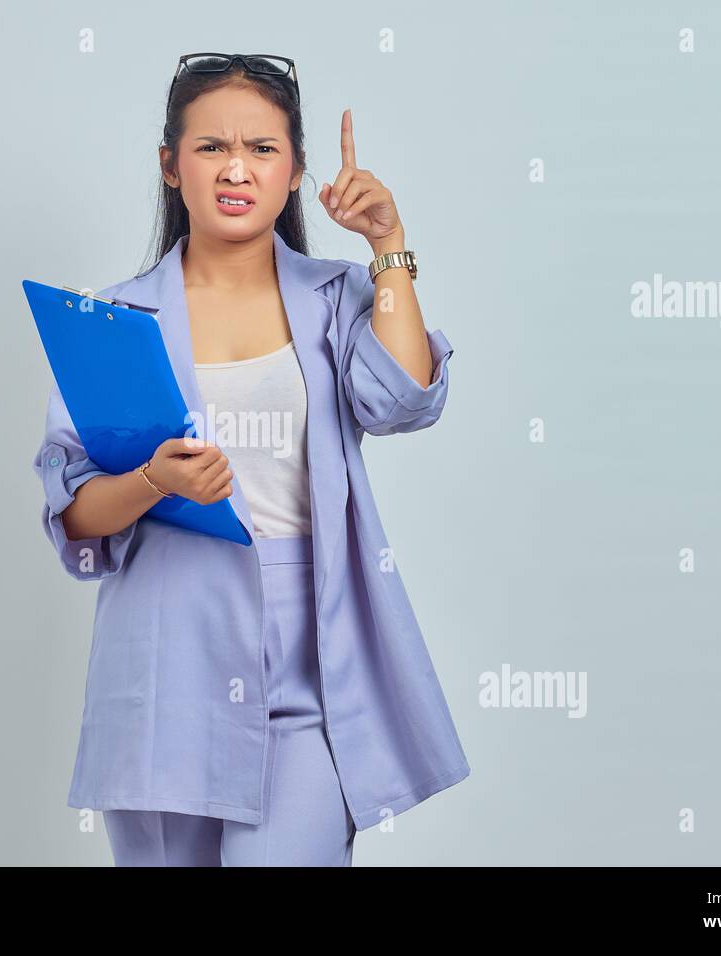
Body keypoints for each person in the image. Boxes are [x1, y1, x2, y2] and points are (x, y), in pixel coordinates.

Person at [33, 53, 470, 866]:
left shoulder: (338, 298)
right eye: (211, 148)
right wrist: (154, 480)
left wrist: (388, 244)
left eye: (263, 149)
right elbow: (74, 515)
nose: (238, 168)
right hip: (166, 654)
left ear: (297, 169)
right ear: (171, 165)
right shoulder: (114, 321)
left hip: (311, 657)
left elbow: (403, 400)